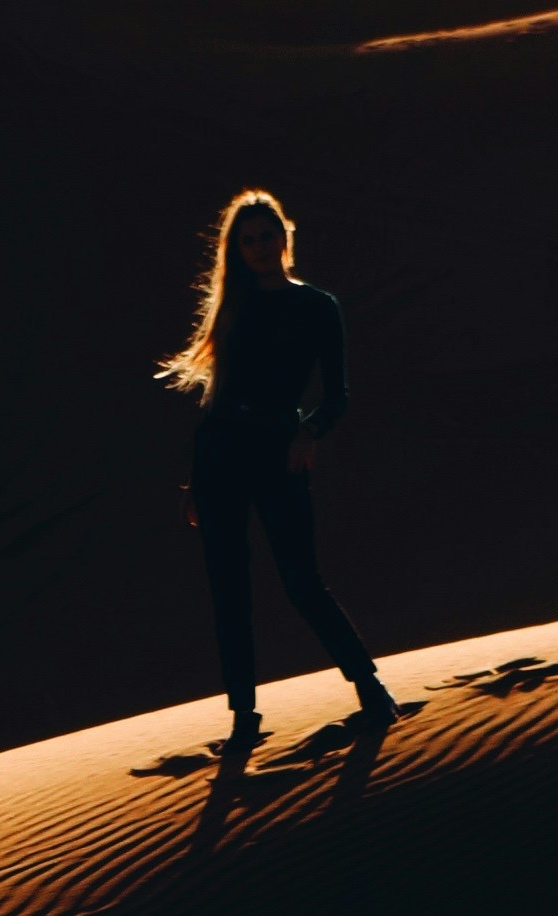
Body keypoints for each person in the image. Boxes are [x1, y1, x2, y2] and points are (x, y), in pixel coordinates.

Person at [158, 188, 397, 754]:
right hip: (221, 456)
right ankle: (244, 716)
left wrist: (309, 431)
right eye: (248, 240)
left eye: (267, 236)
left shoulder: (317, 305)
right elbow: (215, 400)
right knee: (229, 590)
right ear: (235, 249)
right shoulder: (233, 306)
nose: (260, 248)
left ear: (285, 238)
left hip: (276, 450)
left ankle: (371, 689)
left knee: (301, 580)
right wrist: (198, 476)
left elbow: (338, 394)